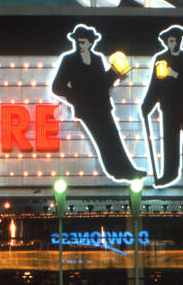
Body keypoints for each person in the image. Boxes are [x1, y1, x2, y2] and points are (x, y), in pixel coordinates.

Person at [51, 25, 145, 182]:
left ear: (90, 43)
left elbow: (102, 83)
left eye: (83, 42)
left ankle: (125, 169)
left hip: (102, 105)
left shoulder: (96, 59)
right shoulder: (69, 60)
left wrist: (115, 72)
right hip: (87, 108)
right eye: (78, 42)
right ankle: (116, 170)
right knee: (102, 139)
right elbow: (57, 86)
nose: (80, 45)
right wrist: (76, 97)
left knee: (113, 137)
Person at [141, 25, 183, 187]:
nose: (174, 44)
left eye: (177, 40)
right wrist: (147, 105)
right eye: (171, 41)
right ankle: (169, 174)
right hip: (169, 108)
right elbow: (155, 86)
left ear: (181, 41)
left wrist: (176, 75)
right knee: (170, 141)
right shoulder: (160, 60)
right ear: (166, 42)